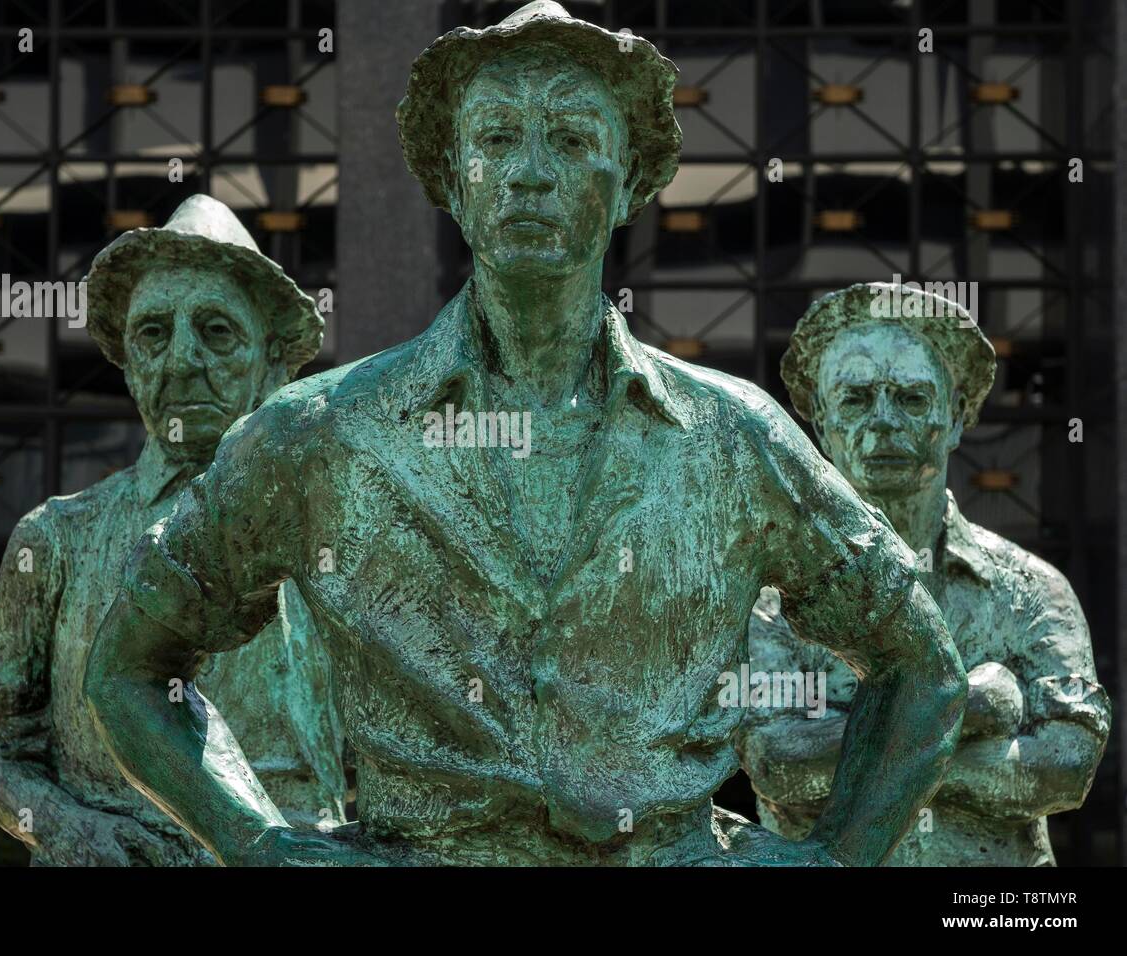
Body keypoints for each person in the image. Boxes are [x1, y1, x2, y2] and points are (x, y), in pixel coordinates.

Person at [85, 2, 964, 867]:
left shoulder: (733, 437)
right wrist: (255, 844)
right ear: (452, 179)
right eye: (497, 138)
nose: (530, 173)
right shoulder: (318, 437)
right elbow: (127, 670)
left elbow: (921, 669)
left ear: (631, 183)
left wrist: (835, 859)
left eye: (572, 140)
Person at [0, 195, 344, 865]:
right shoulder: (55, 541)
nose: (181, 360)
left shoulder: (339, 539)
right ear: (127, 359)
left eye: (216, 331)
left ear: (274, 358)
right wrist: (68, 828)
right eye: (153, 334)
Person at [736, 282, 1110, 866]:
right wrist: (972, 705)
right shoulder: (772, 602)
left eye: (911, 399)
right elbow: (778, 765)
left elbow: (1066, 768)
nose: (884, 421)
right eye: (856, 399)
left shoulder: (1032, 590)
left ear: (956, 417)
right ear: (822, 424)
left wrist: (871, 746)